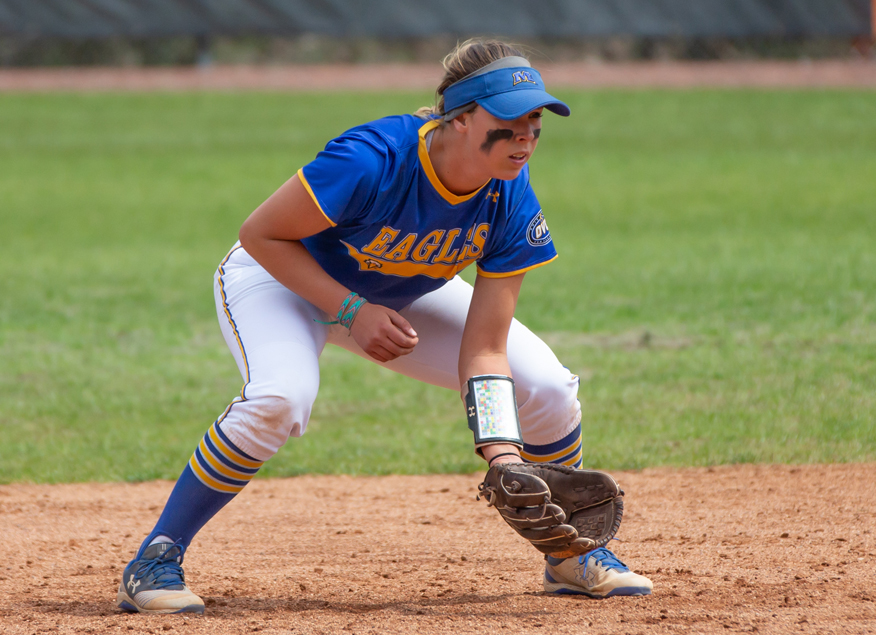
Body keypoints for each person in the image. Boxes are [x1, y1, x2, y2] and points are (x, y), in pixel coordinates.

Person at [116, 39, 653, 615]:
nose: (525, 136)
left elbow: (486, 348)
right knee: (279, 398)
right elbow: (262, 234)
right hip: (282, 279)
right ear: (463, 116)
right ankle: (154, 560)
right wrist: (350, 310)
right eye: (508, 120)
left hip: (402, 290)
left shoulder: (508, 195)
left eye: (535, 121)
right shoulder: (374, 158)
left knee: (546, 387)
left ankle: (569, 553)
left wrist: (503, 457)